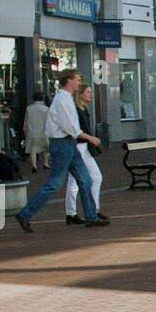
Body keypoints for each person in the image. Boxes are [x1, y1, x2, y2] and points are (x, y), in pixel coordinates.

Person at [14, 70, 105, 232]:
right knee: (55, 183)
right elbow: (70, 127)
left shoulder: (65, 99)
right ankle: (25, 213)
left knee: (85, 180)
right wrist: (90, 138)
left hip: (68, 144)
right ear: (69, 81)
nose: (78, 82)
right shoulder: (62, 100)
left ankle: (91, 216)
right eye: (77, 79)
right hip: (63, 144)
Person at [64, 83, 109, 224]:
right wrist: (91, 138)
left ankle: (93, 208)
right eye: (88, 92)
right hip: (77, 147)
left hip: (85, 147)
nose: (91, 94)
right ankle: (71, 212)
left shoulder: (84, 109)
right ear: (81, 94)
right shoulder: (76, 110)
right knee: (74, 181)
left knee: (96, 177)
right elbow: (75, 130)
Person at [21, 90, 50, 173]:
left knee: (32, 150)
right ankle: (46, 163)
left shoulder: (29, 108)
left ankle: (34, 166)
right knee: (45, 149)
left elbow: (26, 120)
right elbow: (48, 121)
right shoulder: (46, 109)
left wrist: (25, 130)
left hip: (32, 132)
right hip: (43, 132)